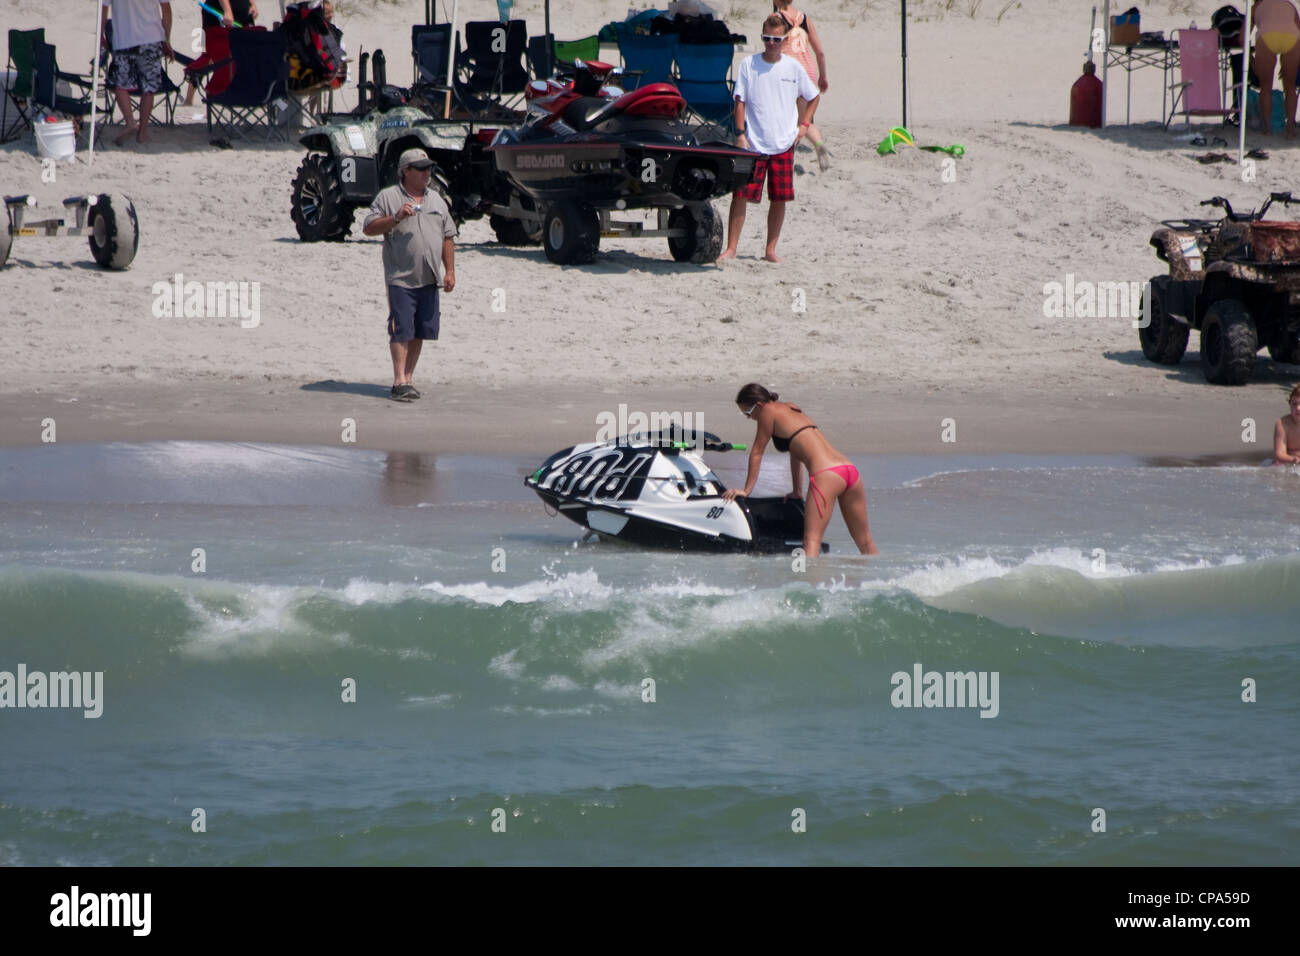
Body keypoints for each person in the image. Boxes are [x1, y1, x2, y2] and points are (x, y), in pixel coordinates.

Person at [721, 384, 879, 555]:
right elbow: (796, 451)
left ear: (759, 405)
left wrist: (746, 490)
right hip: (848, 470)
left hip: (826, 475)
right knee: (865, 542)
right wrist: (797, 490)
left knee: (810, 541)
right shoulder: (791, 408)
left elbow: (757, 453)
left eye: (748, 413)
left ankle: (805, 582)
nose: (749, 418)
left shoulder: (767, 411)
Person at [718, 14, 819, 263]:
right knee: (740, 194)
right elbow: (739, 102)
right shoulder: (749, 64)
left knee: (780, 197)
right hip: (753, 142)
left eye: (776, 39)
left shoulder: (793, 67)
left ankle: (770, 250)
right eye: (766, 38)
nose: (771, 43)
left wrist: (804, 126)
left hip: (784, 142)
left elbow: (813, 96)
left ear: (784, 40)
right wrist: (740, 135)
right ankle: (731, 248)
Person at [362, 149, 457, 402]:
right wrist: (395, 217)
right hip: (400, 277)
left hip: (429, 278)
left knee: (420, 330)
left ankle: (408, 379)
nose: (428, 173)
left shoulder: (437, 200)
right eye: (421, 168)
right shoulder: (389, 197)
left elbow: (448, 236)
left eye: (429, 168)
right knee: (401, 328)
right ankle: (398, 381)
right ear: (406, 171)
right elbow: (368, 227)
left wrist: (450, 271)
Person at [100, 0, 174, 145]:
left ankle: (130, 122)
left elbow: (103, 9)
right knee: (149, 88)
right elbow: (166, 10)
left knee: (120, 85)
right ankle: (142, 133)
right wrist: (167, 39)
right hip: (151, 38)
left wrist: (102, 35)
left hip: (124, 39)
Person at [773, 0, 831, 170]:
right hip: (809, 71)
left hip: (789, 72)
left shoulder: (776, 18)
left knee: (786, 117)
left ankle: (785, 154)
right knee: (804, 119)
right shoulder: (805, 19)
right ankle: (819, 144)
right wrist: (823, 76)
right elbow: (819, 52)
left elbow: (773, 48)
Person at [1252, 0, 1300, 136]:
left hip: (1267, 36)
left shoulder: (1256, 6)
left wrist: (1250, 59)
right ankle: (1290, 128)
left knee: (1265, 87)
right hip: (1292, 37)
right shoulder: (1290, 4)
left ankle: (1267, 129)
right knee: (1290, 87)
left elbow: (1242, 38)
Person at [1273, 383, 1300, 463]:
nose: (1298, 408)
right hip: (1288, 463)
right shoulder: (1282, 424)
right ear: (1290, 405)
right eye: (1294, 404)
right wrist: (1292, 459)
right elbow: (1279, 453)